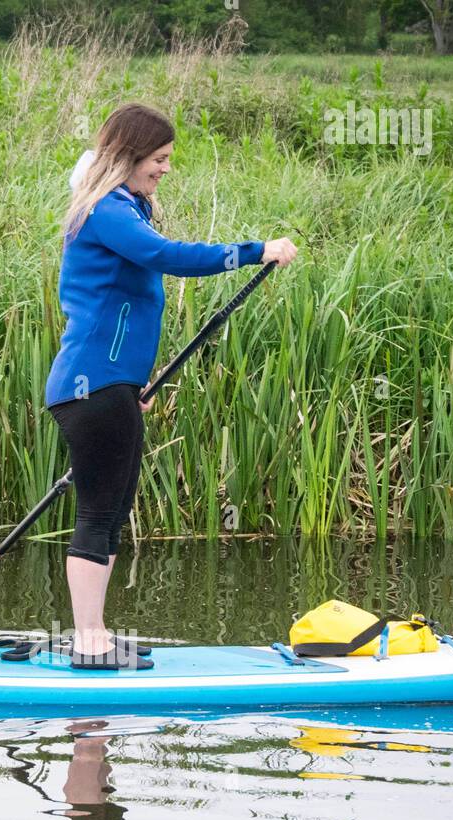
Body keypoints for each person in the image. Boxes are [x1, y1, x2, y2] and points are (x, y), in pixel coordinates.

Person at [44, 103, 297, 669]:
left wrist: (133, 384)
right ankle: (87, 640)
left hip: (112, 385)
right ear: (128, 155)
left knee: (112, 510)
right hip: (89, 384)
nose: (164, 169)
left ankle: (96, 635)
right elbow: (168, 258)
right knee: (97, 509)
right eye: (158, 159)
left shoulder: (123, 207)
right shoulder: (105, 209)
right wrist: (257, 250)